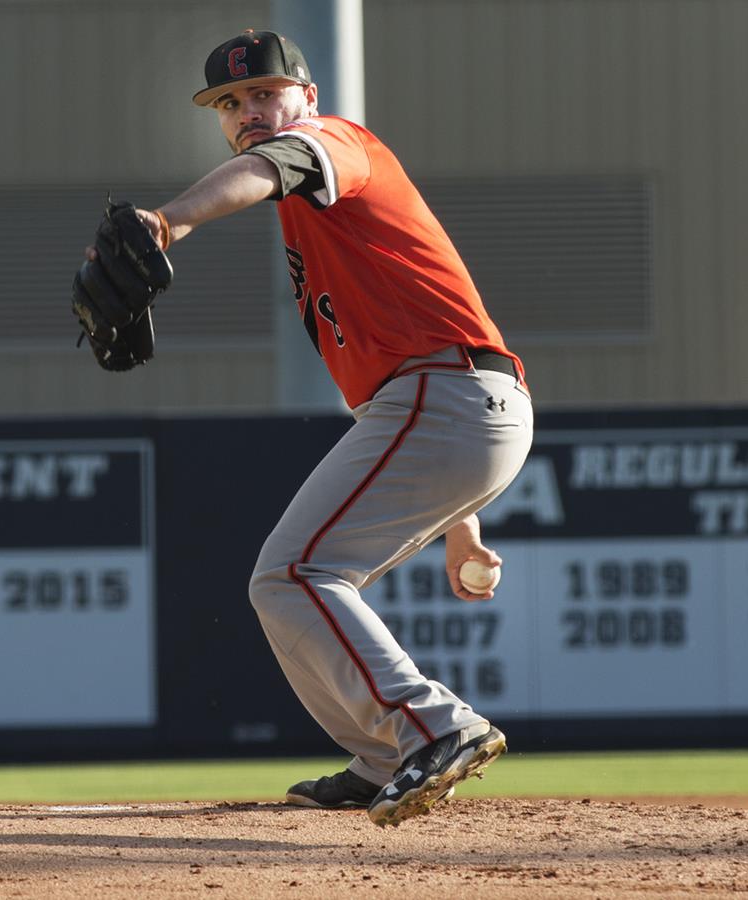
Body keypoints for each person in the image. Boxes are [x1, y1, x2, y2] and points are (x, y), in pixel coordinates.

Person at [83, 30, 533, 827]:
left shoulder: (337, 143)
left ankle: (434, 726)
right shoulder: (318, 227)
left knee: (295, 574)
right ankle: (385, 756)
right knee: (286, 580)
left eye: (264, 93)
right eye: (229, 103)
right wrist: (461, 530)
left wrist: (168, 222)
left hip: (450, 398)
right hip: (447, 407)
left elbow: (271, 166)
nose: (247, 112)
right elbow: (399, 375)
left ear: (308, 96)